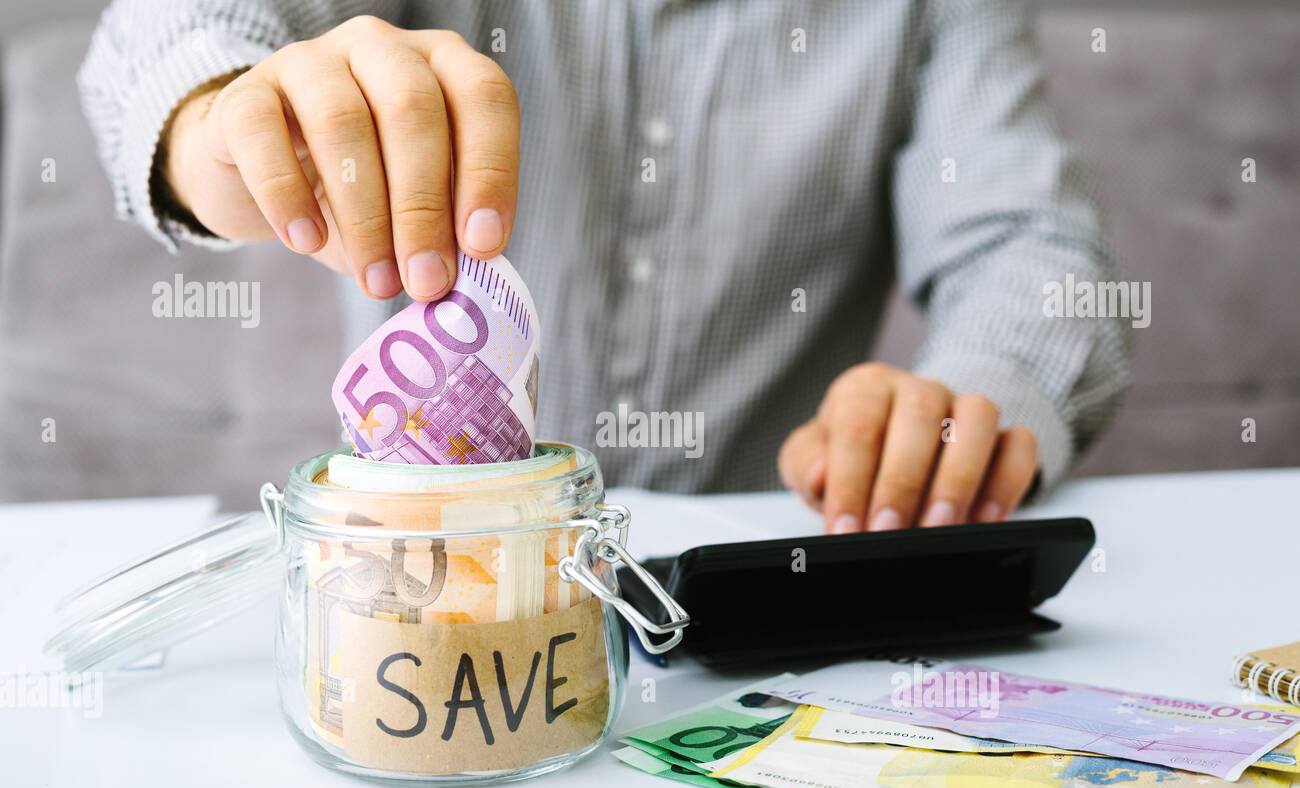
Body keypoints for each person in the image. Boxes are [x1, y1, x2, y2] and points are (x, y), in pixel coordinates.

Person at [79, 0, 1130, 533]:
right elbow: (172, 24)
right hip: (426, 583)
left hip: (754, 598)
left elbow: (1030, 244)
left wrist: (960, 411)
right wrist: (216, 120)